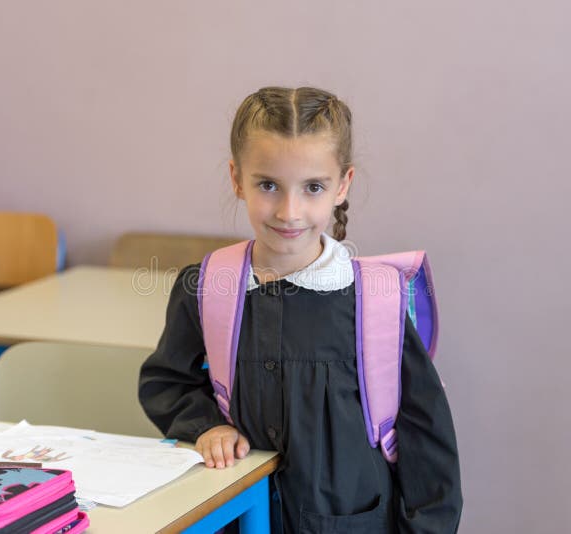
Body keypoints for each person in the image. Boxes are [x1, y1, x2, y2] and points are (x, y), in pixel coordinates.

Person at [139, 86, 462, 533]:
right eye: (268, 185)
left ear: (343, 185)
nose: (290, 212)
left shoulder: (376, 299)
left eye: (313, 187)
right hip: (239, 520)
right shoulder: (207, 286)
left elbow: (427, 441)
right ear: (237, 179)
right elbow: (168, 380)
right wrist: (206, 426)